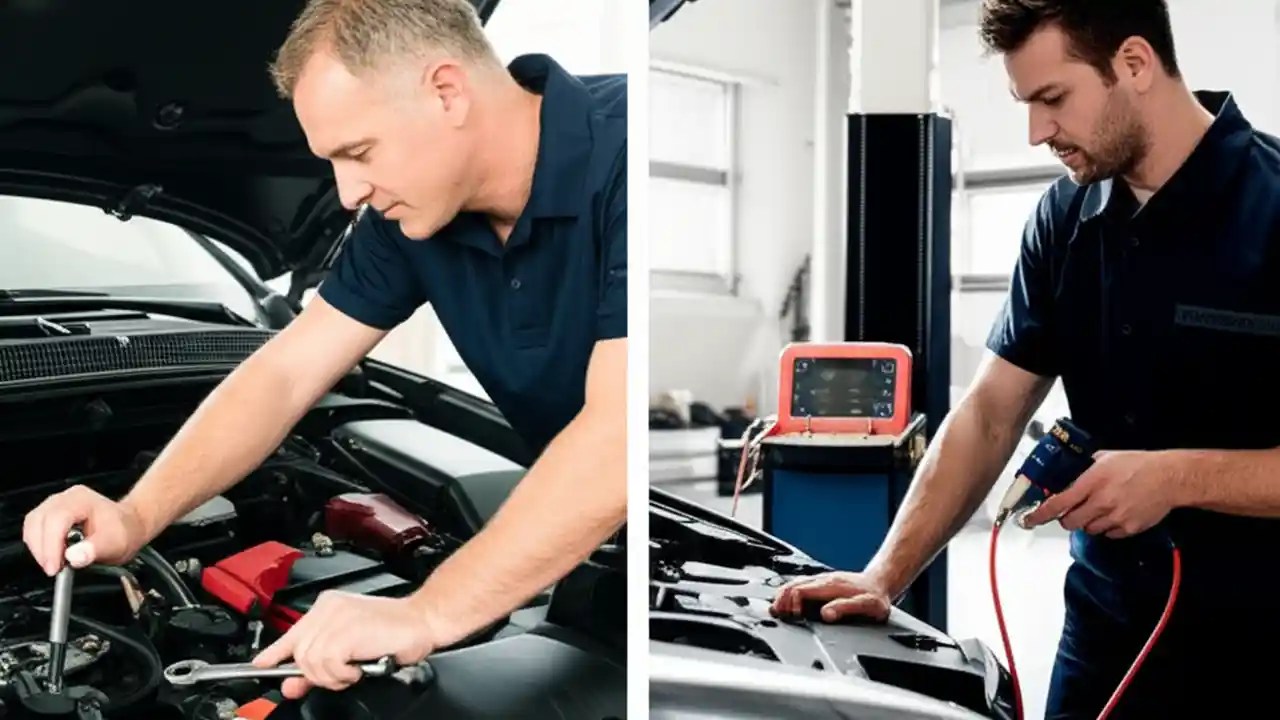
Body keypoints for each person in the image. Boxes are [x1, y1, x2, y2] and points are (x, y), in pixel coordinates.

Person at [22, 0, 627, 701]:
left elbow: (614, 437)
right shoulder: (408, 215)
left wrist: (428, 610)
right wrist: (135, 514)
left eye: (359, 152)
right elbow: (285, 372)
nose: (347, 194)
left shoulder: (623, 155)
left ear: (447, 91)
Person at [771, 1, 1280, 717]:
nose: (1038, 132)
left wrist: (1178, 476)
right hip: (1105, 631)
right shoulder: (1062, 221)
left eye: (1052, 99)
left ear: (1134, 64)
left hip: (1259, 643)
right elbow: (987, 415)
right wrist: (884, 575)